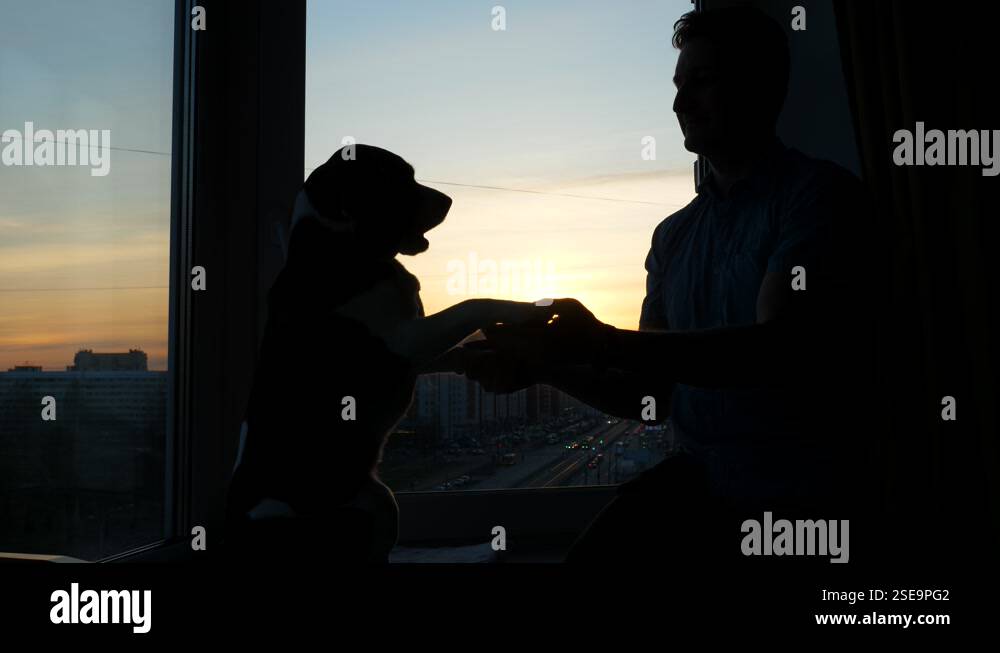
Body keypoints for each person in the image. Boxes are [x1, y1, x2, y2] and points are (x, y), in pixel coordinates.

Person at [459, 7, 881, 567]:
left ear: (761, 85)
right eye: (679, 86)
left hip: (804, 506)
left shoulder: (819, 199)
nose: (681, 103)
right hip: (700, 489)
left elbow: (778, 350)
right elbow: (652, 396)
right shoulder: (674, 237)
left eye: (702, 81)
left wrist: (601, 342)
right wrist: (545, 367)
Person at [225, 145, 552, 563]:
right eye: (403, 188)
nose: (437, 200)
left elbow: (378, 359)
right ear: (353, 207)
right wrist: (488, 311)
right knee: (363, 511)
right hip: (282, 525)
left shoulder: (320, 282)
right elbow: (401, 347)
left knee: (373, 506)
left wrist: (460, 359)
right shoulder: (326, 285)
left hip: (310, 506)